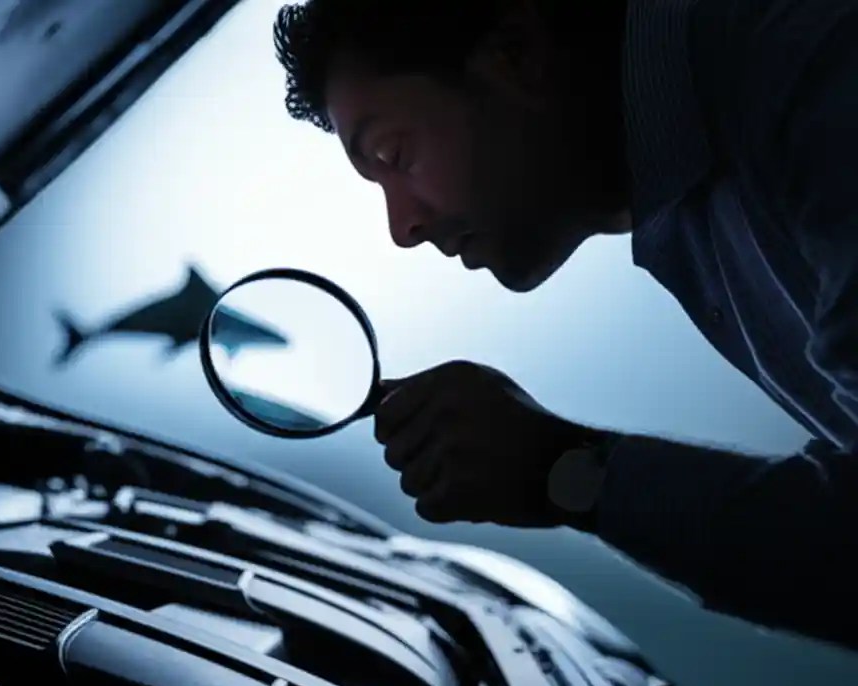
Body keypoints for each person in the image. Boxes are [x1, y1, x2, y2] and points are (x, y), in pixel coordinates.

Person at [272, 0, 858, 650]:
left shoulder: (809, 64)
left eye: (394, 153)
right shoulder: (690, 196)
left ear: (518, 56)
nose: (402, 228)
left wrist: (569, 470)